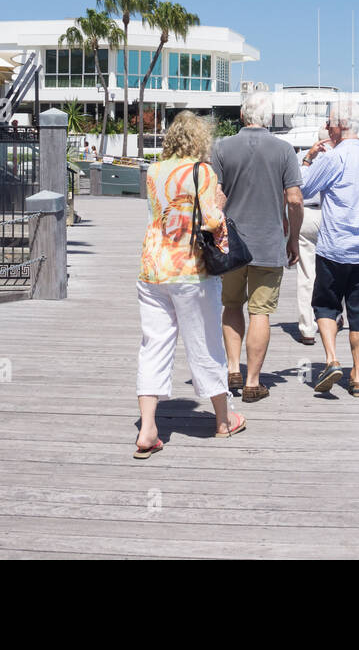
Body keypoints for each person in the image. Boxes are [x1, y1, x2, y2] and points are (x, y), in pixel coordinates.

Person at [135, 111, 246, 457]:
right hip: (190, 270)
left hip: (153, 268)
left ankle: (148, 427)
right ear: (199, 140)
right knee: (206, 344)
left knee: (153, 346)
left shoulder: (154, 170)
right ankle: (223, 422)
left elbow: (160, 212)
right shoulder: (203, 172)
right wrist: (221, 205)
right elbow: (211, 220)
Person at [211, 92, 303, 402]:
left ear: (241, 114)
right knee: (260, 312)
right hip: (268, 243)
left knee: (232, 305)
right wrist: (293, 237)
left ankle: (232, 368)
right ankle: (252, 382)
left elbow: (213, 196)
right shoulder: (284, 150)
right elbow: (294, 199)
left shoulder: (221, 148)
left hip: (230, 244)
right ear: (270, 118)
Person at [301, 99, 359, 398]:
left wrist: (307, 160)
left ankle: (331, 359)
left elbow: (302, 191)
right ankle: (356, 376)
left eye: (329, 122)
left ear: (340, 127)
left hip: (333, 249)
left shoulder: (332, 159)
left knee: (326, 306)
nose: (327, 127)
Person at [294, 127, 334, 344]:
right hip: (329, 215)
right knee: (333, 269)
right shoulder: (337, 158)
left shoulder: (303, 157)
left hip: (306, 214)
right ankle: (332, 316)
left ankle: (307, 327)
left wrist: (308, 158)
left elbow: (294, 190)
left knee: (306, 273)